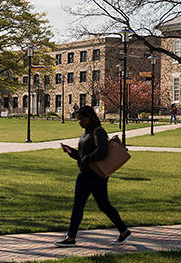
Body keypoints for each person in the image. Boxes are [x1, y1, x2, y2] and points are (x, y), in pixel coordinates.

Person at [55, 106, 131, 247]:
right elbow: (82, 156)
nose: (79, 122)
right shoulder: (85, 133)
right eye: (78, 119)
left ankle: (124, 230)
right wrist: (71, 152)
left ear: (89, 117)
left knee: (104, 205)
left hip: (96, 176)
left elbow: (102, 152)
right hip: (84, 174)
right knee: (78, 206)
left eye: (81, 119)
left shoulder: (98, 132)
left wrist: (87, 158)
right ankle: (70, 238)